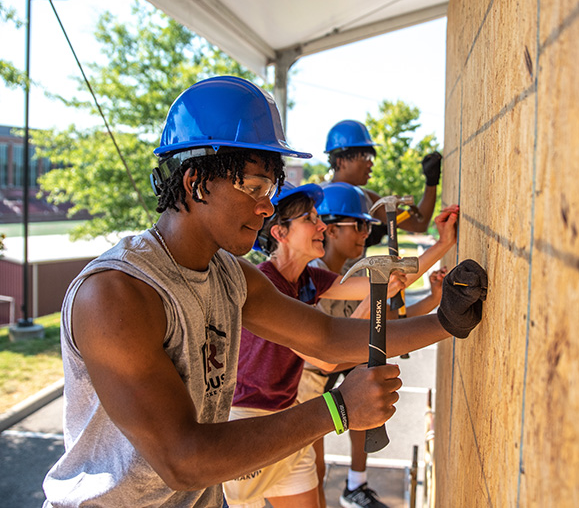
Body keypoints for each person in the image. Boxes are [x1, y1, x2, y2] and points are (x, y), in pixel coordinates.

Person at [41, 75, 488, 507]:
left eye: (270, 188)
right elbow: (182, 459)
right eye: (254, 186)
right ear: (196, 182)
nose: (267, 205)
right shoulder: (117, 296)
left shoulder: (230, 276)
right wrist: (337, 409)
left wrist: (445, 321)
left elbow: (328, 338)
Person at [224, 182, 458, 508]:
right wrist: (379, 294)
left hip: (290, 417)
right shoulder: (266, 286)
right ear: (279, 233)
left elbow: (390, 278)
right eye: (310, 219)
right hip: (250, 424)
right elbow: (327, 359)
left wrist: (443, 244)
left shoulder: (309, 279)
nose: (321, 226)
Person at [295, 182, 449, 508]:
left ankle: (355, 485)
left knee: (311, 476)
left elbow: (386, 315)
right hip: (299, 387)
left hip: (323, 375)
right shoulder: (308, 275)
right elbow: (330, 352)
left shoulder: (331, 278)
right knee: (310, 471)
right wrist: (375, 295)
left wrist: (442, 247)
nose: (367, 234)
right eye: (361, 225)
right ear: (332, 229)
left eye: (369, 225)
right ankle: (353, 485)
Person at [325, 119, 442, 244]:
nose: (370, 163)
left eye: (370, 157)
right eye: (365, 157)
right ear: (340, 161)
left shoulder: (367, 198)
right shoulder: (319, 200)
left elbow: (418, 224)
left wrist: (431, 181)